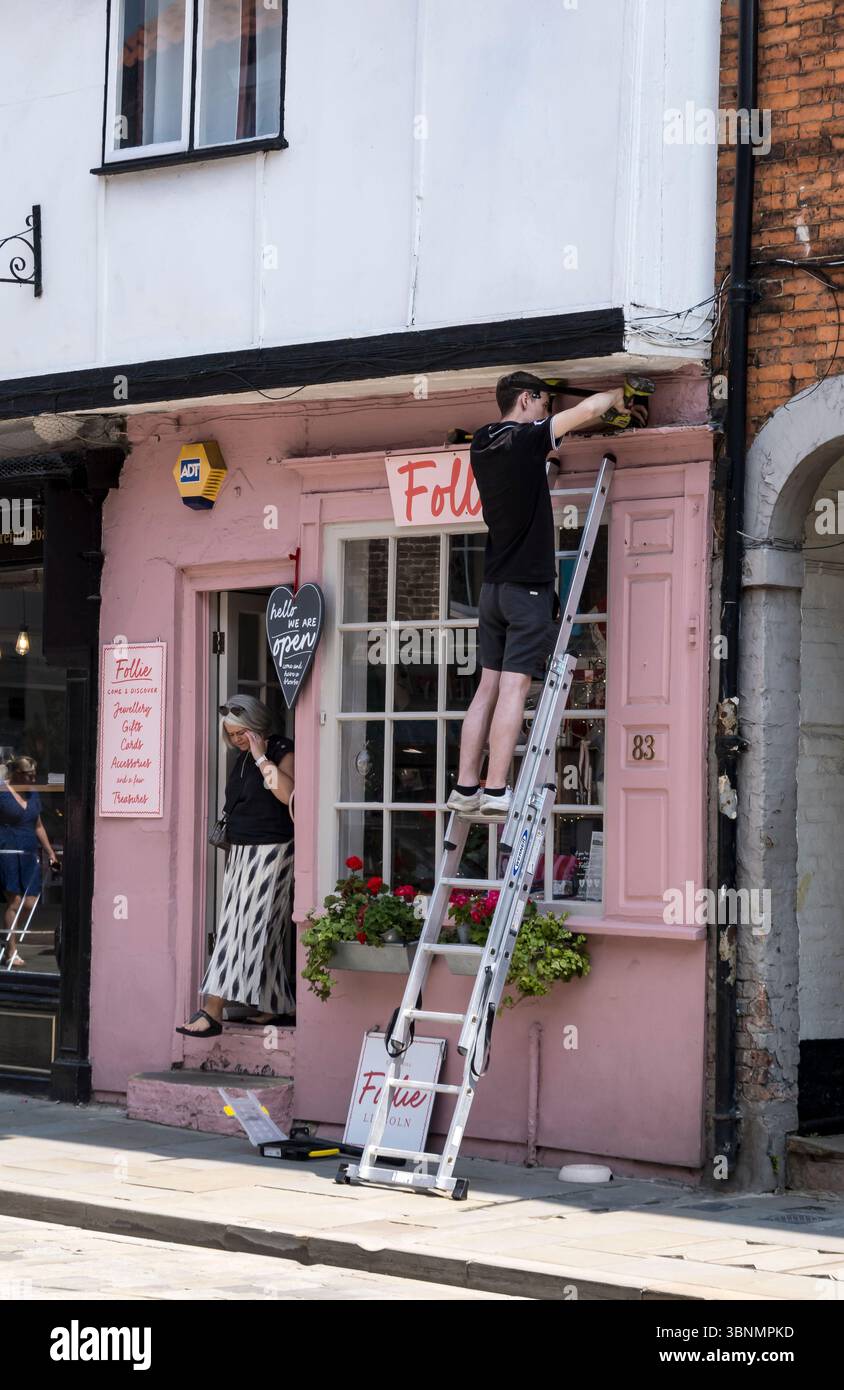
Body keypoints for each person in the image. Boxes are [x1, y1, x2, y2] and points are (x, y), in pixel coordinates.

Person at [446, 371, 646, 820]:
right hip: (527, 587)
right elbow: (586, 412)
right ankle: (496, 789)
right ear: (524, 399)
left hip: (493, 588)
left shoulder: (482, 442)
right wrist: (619, 395)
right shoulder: (523, 439)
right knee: (515, 686)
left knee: (487, 687)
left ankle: (465, 787)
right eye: (543, 402)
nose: (547, 411)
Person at [177, 695, 296, 1037]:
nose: (236, 740)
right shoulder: (241, 759)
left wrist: (261, 756)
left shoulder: (279, 750)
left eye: (242, 733)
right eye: (231, 735)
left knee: (238, 929)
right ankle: (276, 1004)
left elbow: (288, 795)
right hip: (243, 850)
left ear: (258, 727)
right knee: (263, 928)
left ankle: (212, 1011)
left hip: (272, 850)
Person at [0, 755, 60, 969]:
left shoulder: (33, 794)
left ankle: (8, 937)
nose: (33, 780)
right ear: (17, 774)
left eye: (34, 776)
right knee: (15, 902)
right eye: (30, 775)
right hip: (7, 851)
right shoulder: (2, 793)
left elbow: (38, 826)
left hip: (28, 852)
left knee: (30, 903)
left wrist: (50, 852)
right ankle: (11, 951)